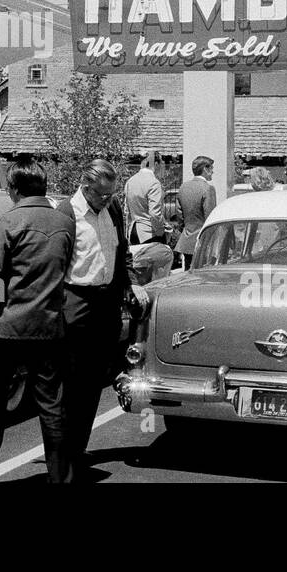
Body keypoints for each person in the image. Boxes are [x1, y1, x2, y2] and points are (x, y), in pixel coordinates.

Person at [0, 157, 74, 484]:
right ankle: (60, 478)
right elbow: (66, 269)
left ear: (14, 188)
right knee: (52, 406)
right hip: (50, 326)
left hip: (9, 327)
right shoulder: (64, 222)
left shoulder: (8, 221)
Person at [55, 160, 134, 482]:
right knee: (70, 384)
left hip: (106, 303)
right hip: (77, 302)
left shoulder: (112, 208)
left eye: (110, 194)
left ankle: (78, 448)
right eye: (101, 195)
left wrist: (128, 284)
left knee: (91, 384)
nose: (106, 200)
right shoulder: (66, 213)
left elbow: (121, 249)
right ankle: (61, 456)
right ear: (85, 187)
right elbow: (57, 262)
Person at [124, 151, 171, 284]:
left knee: (138, 271)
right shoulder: (153, 183)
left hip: (133, 230)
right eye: (162, 164)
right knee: (155, 276)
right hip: (150, 232)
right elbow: (155, 213)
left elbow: (127, 211)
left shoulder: (130, 181)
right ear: (156, 163)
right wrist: (161, 230)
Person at [176, 155, 218, 270]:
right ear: (205, 169)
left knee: (188, 273)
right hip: (203, 241)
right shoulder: (208, 189)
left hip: (186, 240)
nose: (213, 172)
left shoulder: (183, 187)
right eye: (211, 168)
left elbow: (179, 216)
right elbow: (210, 218)